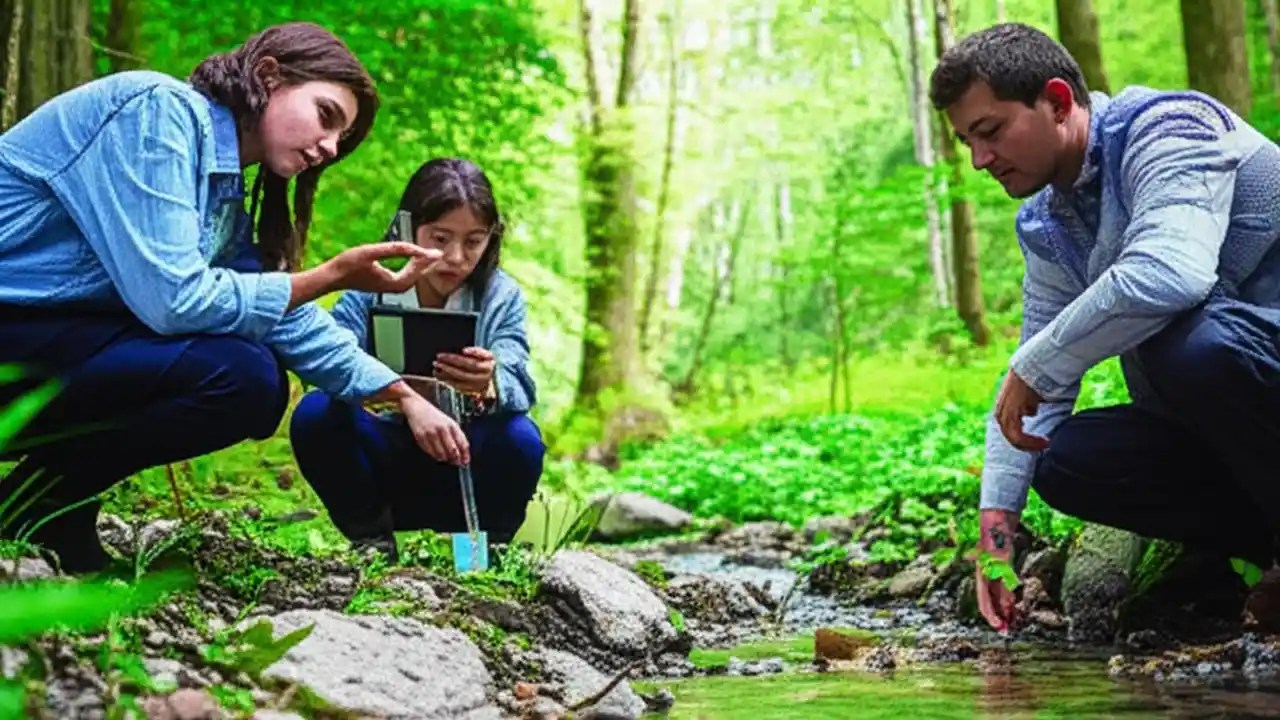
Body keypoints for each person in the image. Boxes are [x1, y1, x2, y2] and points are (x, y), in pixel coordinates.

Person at [0, 22, 459, 573]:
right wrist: (331, 276)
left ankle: (40, 510)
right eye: (326, 116)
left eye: (341, 140)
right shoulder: (155, 113)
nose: (330, 147)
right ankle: (44, 506)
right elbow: (172, 300)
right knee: (236, 373)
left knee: (253, 379)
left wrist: (401, 392)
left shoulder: (219, 198)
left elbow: (285, 320)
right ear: (268, 76)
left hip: (40, 342)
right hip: (16, 329)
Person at [929, 23, 1280, 633]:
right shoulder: (1048, 222)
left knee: (1191, 347)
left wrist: (1036, 366)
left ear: (1059, 102)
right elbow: (1037, 372)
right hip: (1239, 429)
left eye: (989, 132)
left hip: (1249, 368)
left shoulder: (1170, 128)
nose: (980, 159)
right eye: (966, 142)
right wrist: (995, 529)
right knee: (1068, 460)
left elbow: (1173, 271)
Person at [289, 158, 545, 563]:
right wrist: (402, 397)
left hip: (465, 462)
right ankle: (372, 545)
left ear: (490, 239)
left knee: (521, 439)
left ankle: (478, 559)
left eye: (474, 241)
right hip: (382, 455)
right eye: (440, 238)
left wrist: (491, 381)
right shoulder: (369, 285)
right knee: (315, 414)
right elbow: (327, 360)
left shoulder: (501, 296)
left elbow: (521, 380)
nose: (456, 257)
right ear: (410, 228)